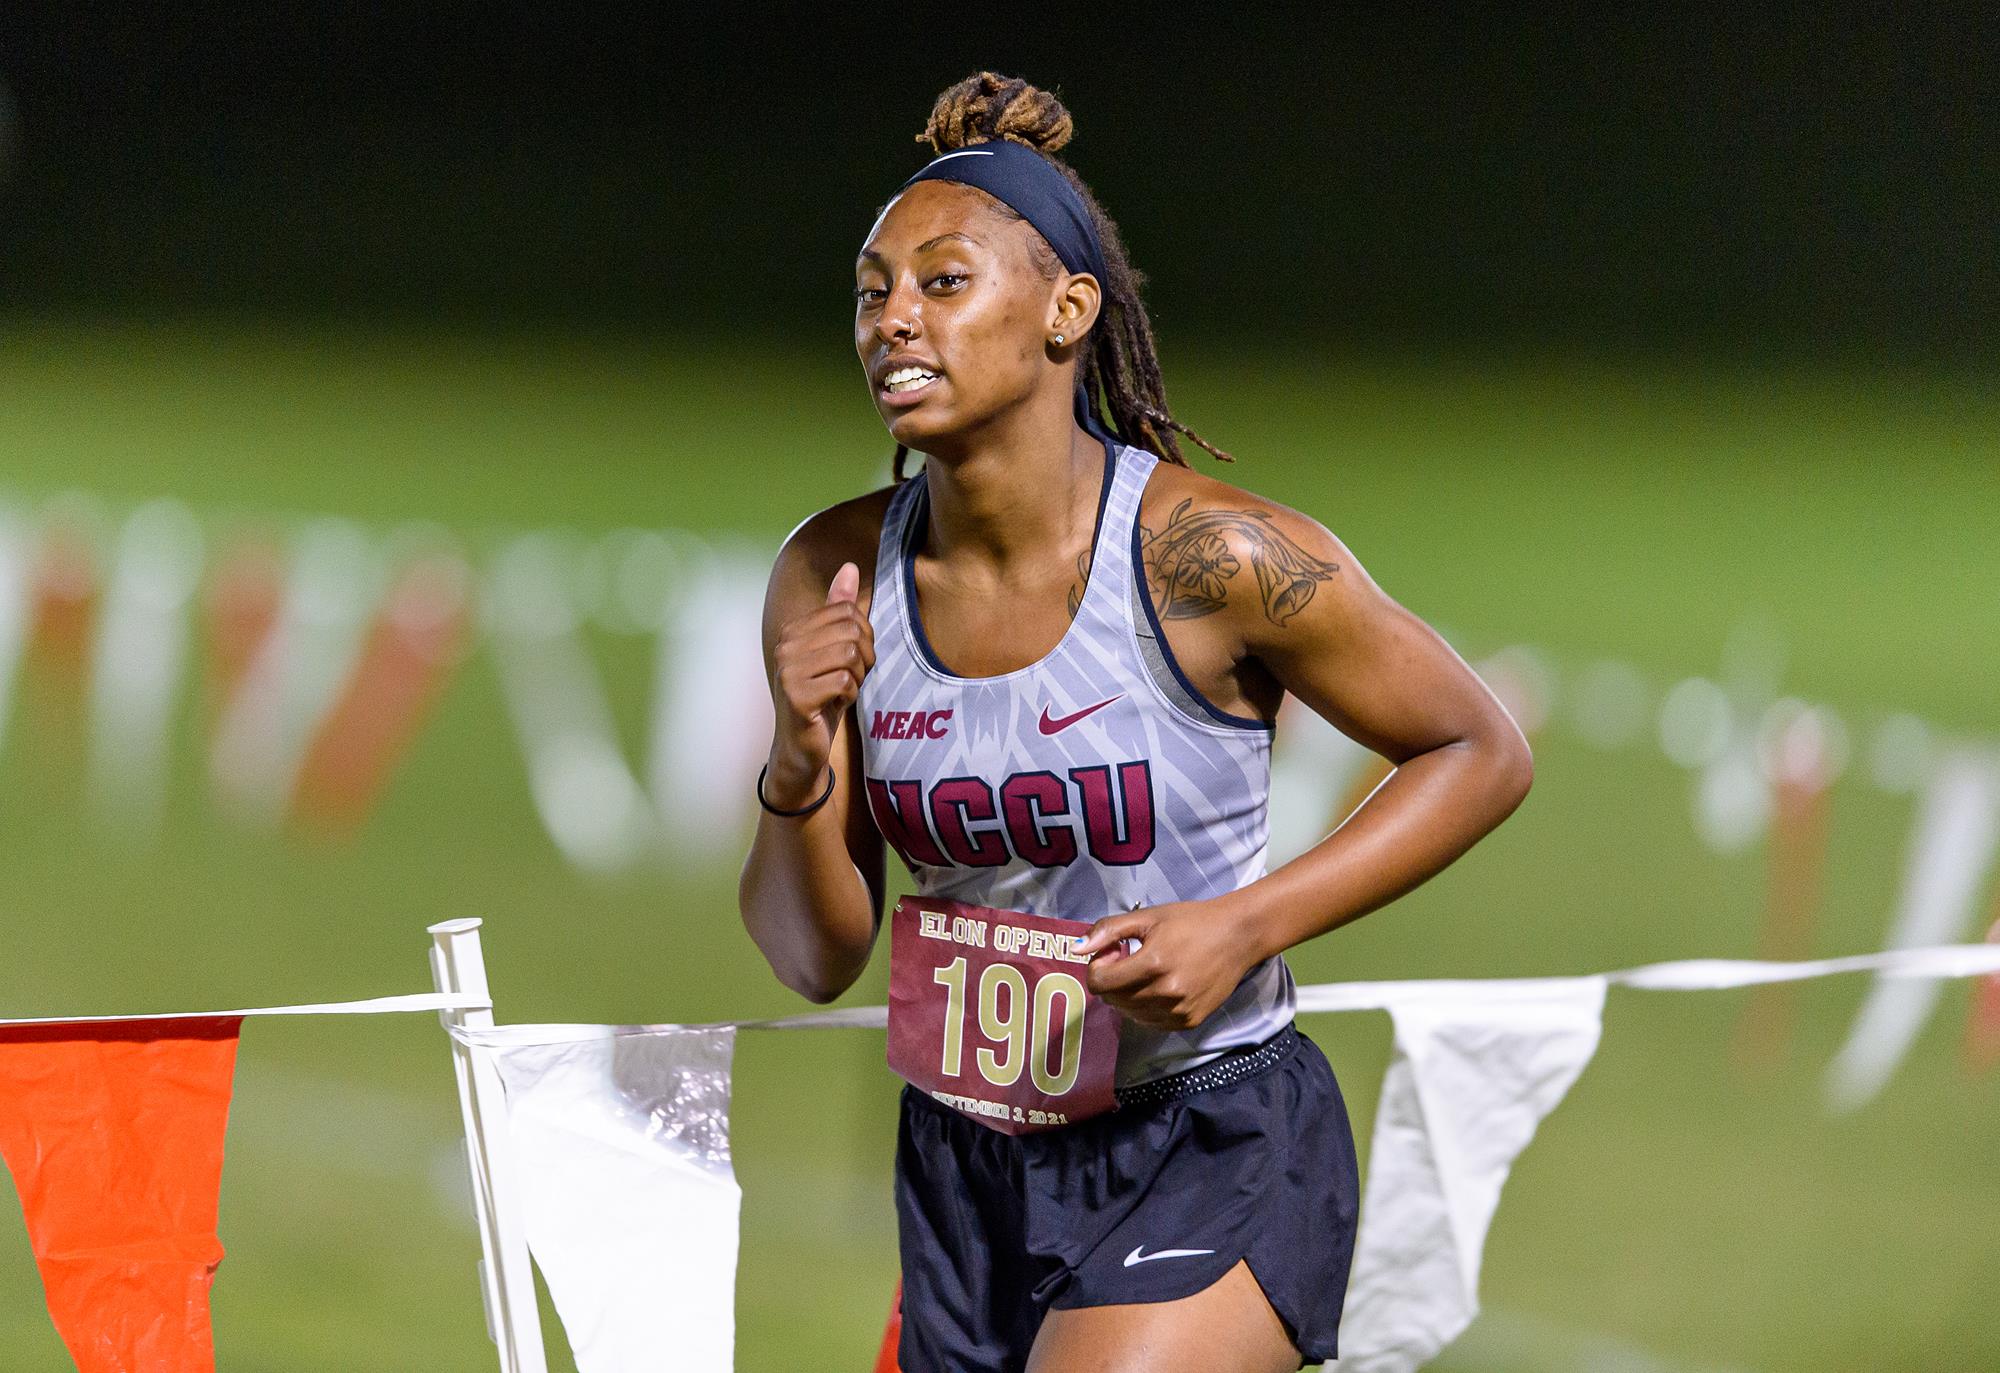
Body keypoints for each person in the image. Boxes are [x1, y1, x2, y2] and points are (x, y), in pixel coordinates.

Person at [738, 71, 1533, 1373]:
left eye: (943, 283)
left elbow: (1479, 748)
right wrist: (796, 756)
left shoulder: (1210, 555)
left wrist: (1245, 922)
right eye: (872, 289)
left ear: (1068, 309)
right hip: (965, 1158)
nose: (892, 321)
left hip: (1209, 1131)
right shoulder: (831, 571)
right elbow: (814, 955)